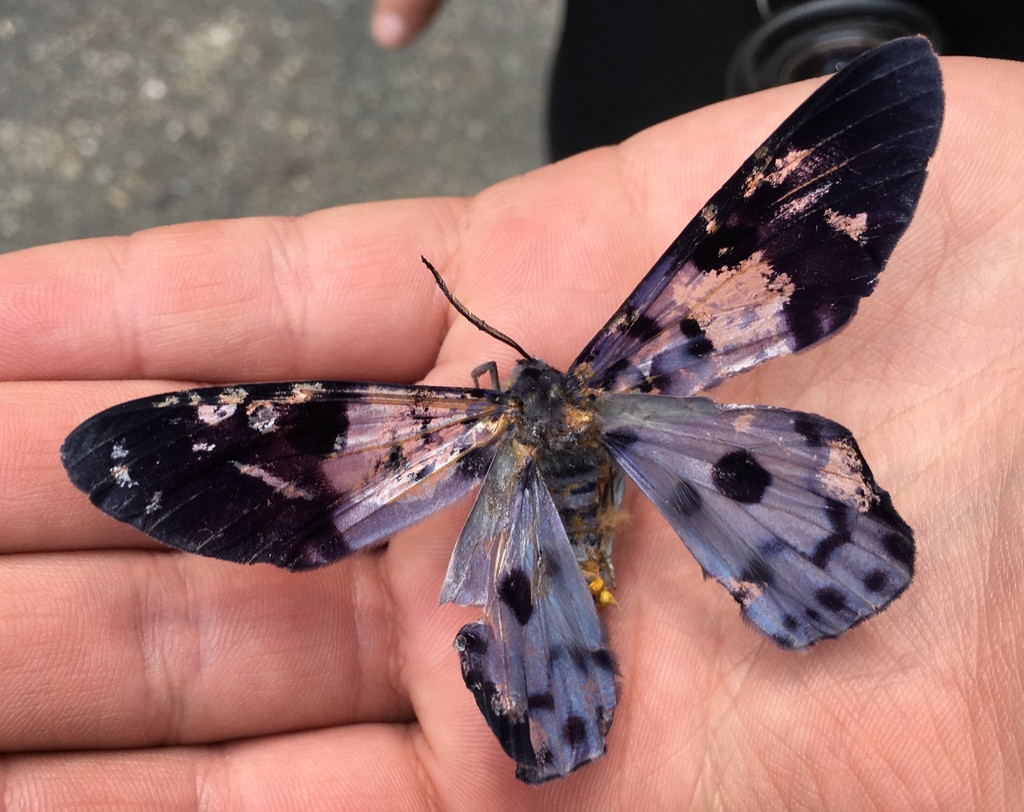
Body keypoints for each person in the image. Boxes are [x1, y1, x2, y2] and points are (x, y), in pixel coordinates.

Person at [1, 54, 1021, 808]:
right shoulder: (613, 363)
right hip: (635, 436)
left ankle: (563, 691)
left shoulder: (461, 421)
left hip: (533, 488)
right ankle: (778, 581)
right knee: (736, 466)